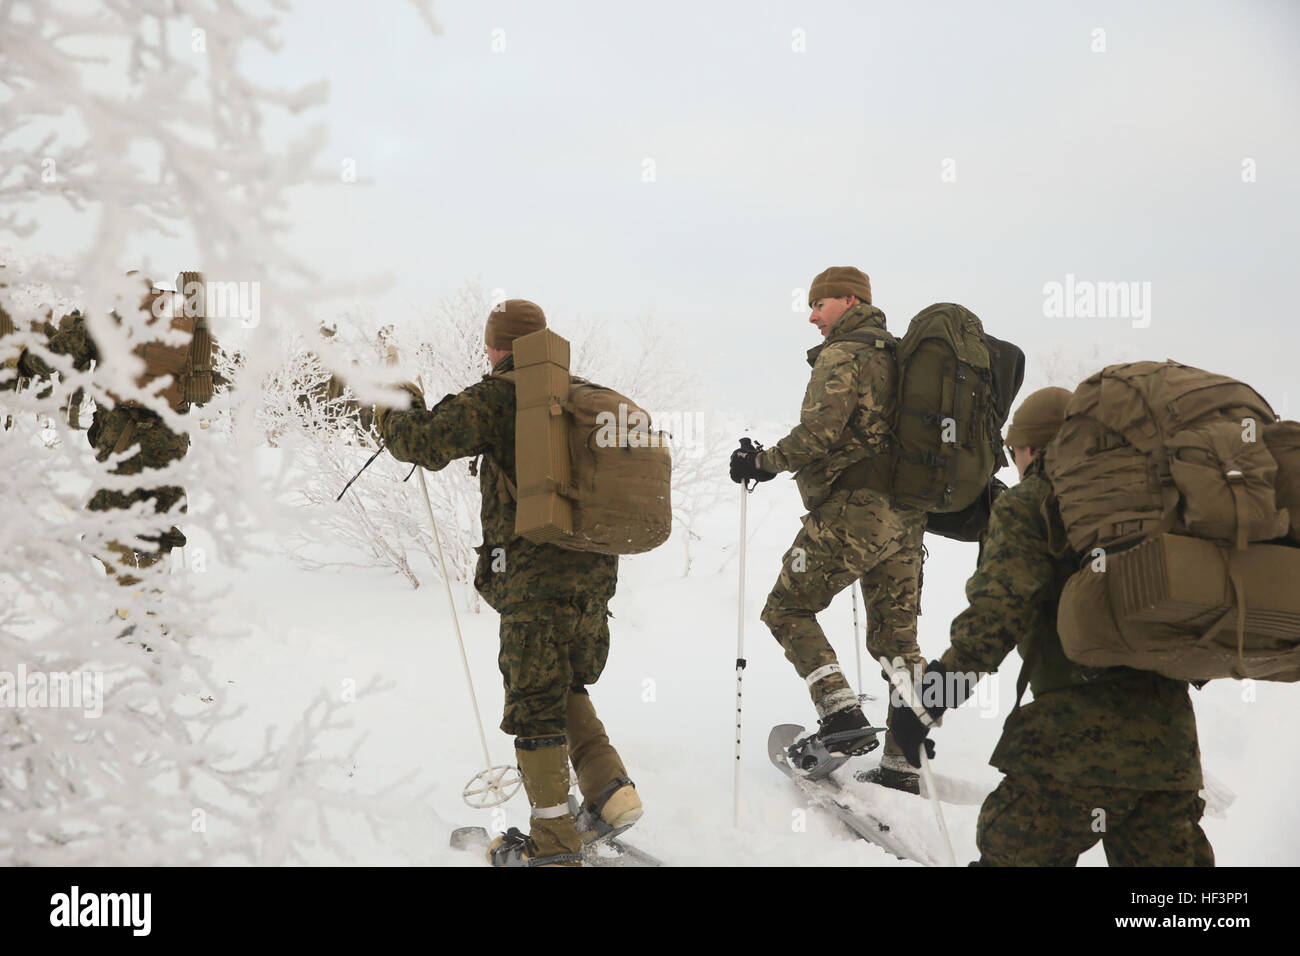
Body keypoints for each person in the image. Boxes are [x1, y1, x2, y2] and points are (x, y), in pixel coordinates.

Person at [888, 387, 1214, 866]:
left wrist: (929, 698)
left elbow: (995, 617)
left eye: (1013, 452)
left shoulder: (1034, 503)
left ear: (1032, 449)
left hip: (1074, 747)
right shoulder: (1146, 504)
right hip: (1169, 750)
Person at [373, 298, 640, 868]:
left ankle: (553, 843)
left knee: (534, 706)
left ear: (497, 348)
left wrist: (395, 404)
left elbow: (423, 444)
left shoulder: (500, 395)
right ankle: (612, 793)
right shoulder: (581, 393)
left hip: (534, 585)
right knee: (564, 683)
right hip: (594, 576)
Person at [730, 266, 928, 792]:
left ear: (850, 300)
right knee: (898, 645)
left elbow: (819, 432)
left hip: (855, 511)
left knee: (786, 608)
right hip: (908, 519)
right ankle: (903, 765)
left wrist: (762, 462)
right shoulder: (904, 357)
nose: (813, 316)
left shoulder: (844, 353)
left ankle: (840, 713)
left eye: (820, 305)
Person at [16, 275, 203, 589]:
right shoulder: (186, 329)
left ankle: (129, 602)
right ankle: (153, 600)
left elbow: (54, 354)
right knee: (158, 525)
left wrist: (24, 363)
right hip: (171, 442)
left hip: (123, 441)